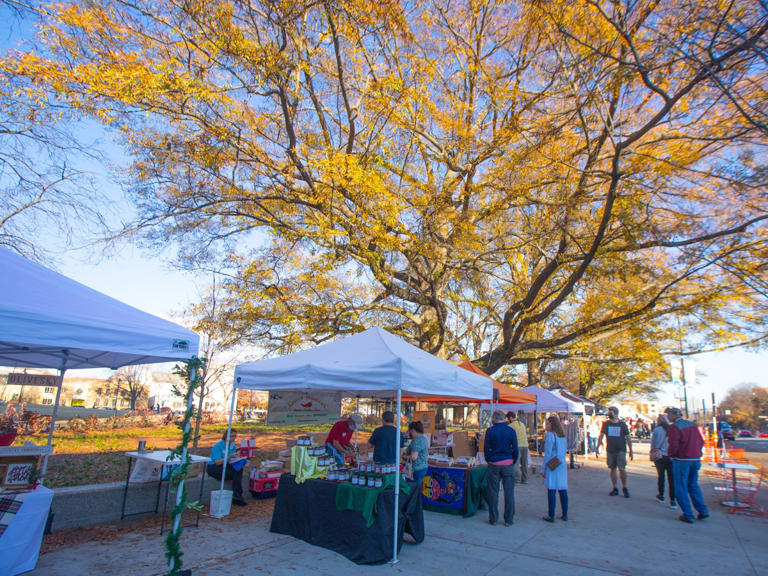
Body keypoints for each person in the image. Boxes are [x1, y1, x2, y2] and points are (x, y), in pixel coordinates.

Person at [665, 407, 709, 524]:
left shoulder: (674, 427)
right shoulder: (692, 425)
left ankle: (688, 514)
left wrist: (671, 455)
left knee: (680, 487)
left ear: (673, 415)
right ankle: (702, 510)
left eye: (668, 415)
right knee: (693, 485)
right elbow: (701, 441)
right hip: (695, 459)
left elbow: (673, 444)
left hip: (682, 460)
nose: (667, 417)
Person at [483, 410, 518, 526]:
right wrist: (513, 460)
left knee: (493, 492)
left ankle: (493, 519)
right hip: (508, 462)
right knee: (509, 492)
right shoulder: (511, 431)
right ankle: (508, 519)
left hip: (494, 463)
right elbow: (516, 449)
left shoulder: (490, 431)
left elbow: (486, 448)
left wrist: (489, 460)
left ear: (494, 418)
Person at [597, 406, 633, 498]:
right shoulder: (606, 424)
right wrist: (597, 447)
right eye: (609, 412)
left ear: (616, 413)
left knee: (622, 468)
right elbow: (601, 435)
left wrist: (631, 450)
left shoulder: (622, 424)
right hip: (610, 450)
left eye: (610, 412)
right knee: (612, 468)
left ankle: (625, 487)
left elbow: (628, 437)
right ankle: (615, 488)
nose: (609, 414)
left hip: (621, 449)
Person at [207, 429, 247, 506]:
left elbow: (232, 460)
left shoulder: (233, 446)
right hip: (214, 467)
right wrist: (230, 456)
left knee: (239, 470)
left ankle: (237, 495)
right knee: (234, 474)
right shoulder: (218, 446)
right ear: (226, 436)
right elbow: (217, 462)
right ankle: (237, 495)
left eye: (235, 436)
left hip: (226, 464)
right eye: (232, 436)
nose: (233, 438)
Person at [542, 414, 568, 522]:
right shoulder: (561, 435)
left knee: (551, 488)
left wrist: (543, 468)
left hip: (553, 462)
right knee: (562, 489)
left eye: (547, 424)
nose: (546, 426)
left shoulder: (550, 435)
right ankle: (565, 513)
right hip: (561, 462)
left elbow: (548, 453)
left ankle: (551, 515)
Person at [650, 413, 676, 509]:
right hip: (671, 456)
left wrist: (651, 454)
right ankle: (673, 500)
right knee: (671, 479)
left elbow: (653, 444)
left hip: (659, 456)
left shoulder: (656, 430)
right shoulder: (672, 430)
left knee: (661, 476)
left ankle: (661, 495)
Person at [506, 411, 529, 484]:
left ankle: (517, 480)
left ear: (510, 418)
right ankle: (525, 479)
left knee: (516, 463)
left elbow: (509, 437)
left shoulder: (510, 425)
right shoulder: (522, 424)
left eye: (508, 418)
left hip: (517, 445)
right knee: (524, 463)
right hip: (525, 445)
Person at [404, 420, 428, 487]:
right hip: (423, 467)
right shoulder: (424, 438)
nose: (410, 433)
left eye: (410, 431)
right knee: (418, 488)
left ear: (413, 430)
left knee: (414, 489)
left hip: (417, 469)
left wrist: (404, 456)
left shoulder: (416, 440)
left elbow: (413, 457)